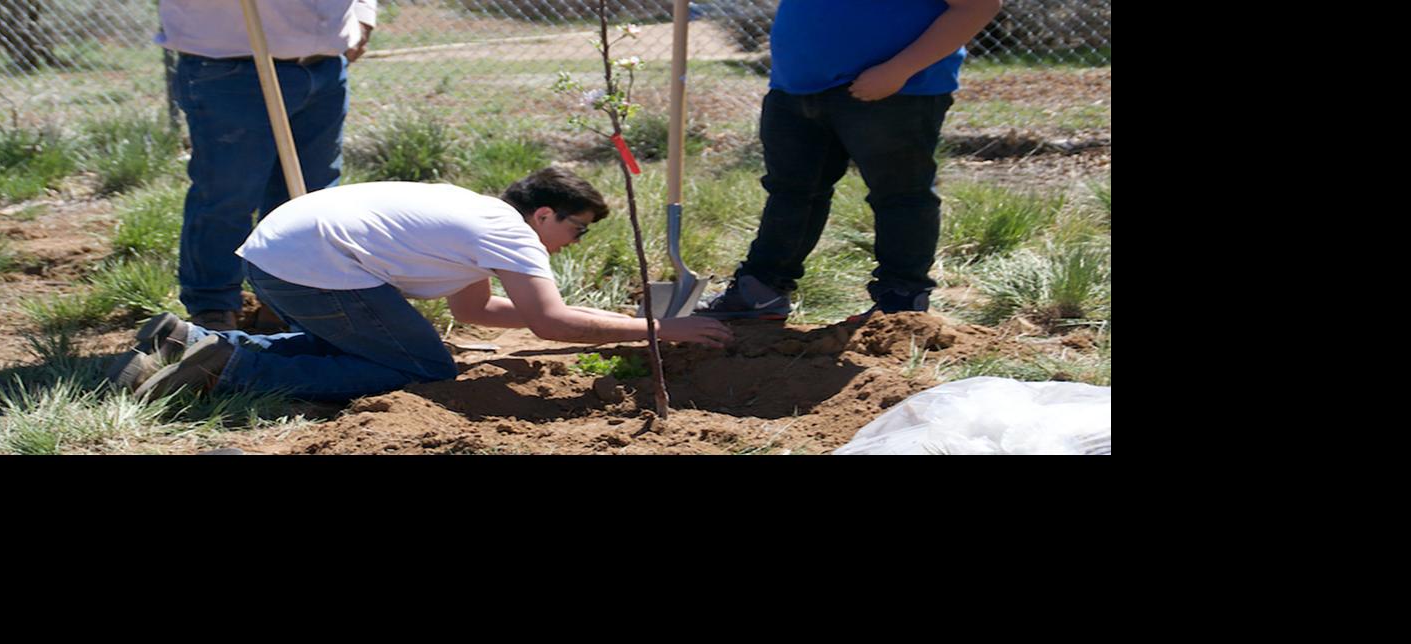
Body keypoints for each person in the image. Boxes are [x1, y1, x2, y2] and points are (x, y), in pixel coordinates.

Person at [106, 168, 734, 402]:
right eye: (578, 229)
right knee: (421, 367)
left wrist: (583, 314)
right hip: (314, 265)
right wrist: (659, 329)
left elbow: (481, 312)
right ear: (543, 214)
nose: (575, 241)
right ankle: (232, 372)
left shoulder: (478, 218)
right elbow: (549, 326)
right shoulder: (510, 233)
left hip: (280, 254)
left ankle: (189, 341)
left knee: (376, 348)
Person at [697, 0, 1003, 322]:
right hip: (795, 88)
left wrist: (899, 69)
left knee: (900, 194)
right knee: (791, 192)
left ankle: (901, 302)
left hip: (894, 92)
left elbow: (977, 7)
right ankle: (761, 291)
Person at [157, 0, 377, 331]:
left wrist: (363, 15)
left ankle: (289, 302)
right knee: (228, 193)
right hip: (229, 67)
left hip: (326, 67)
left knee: (308, 197)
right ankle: (214, 309)